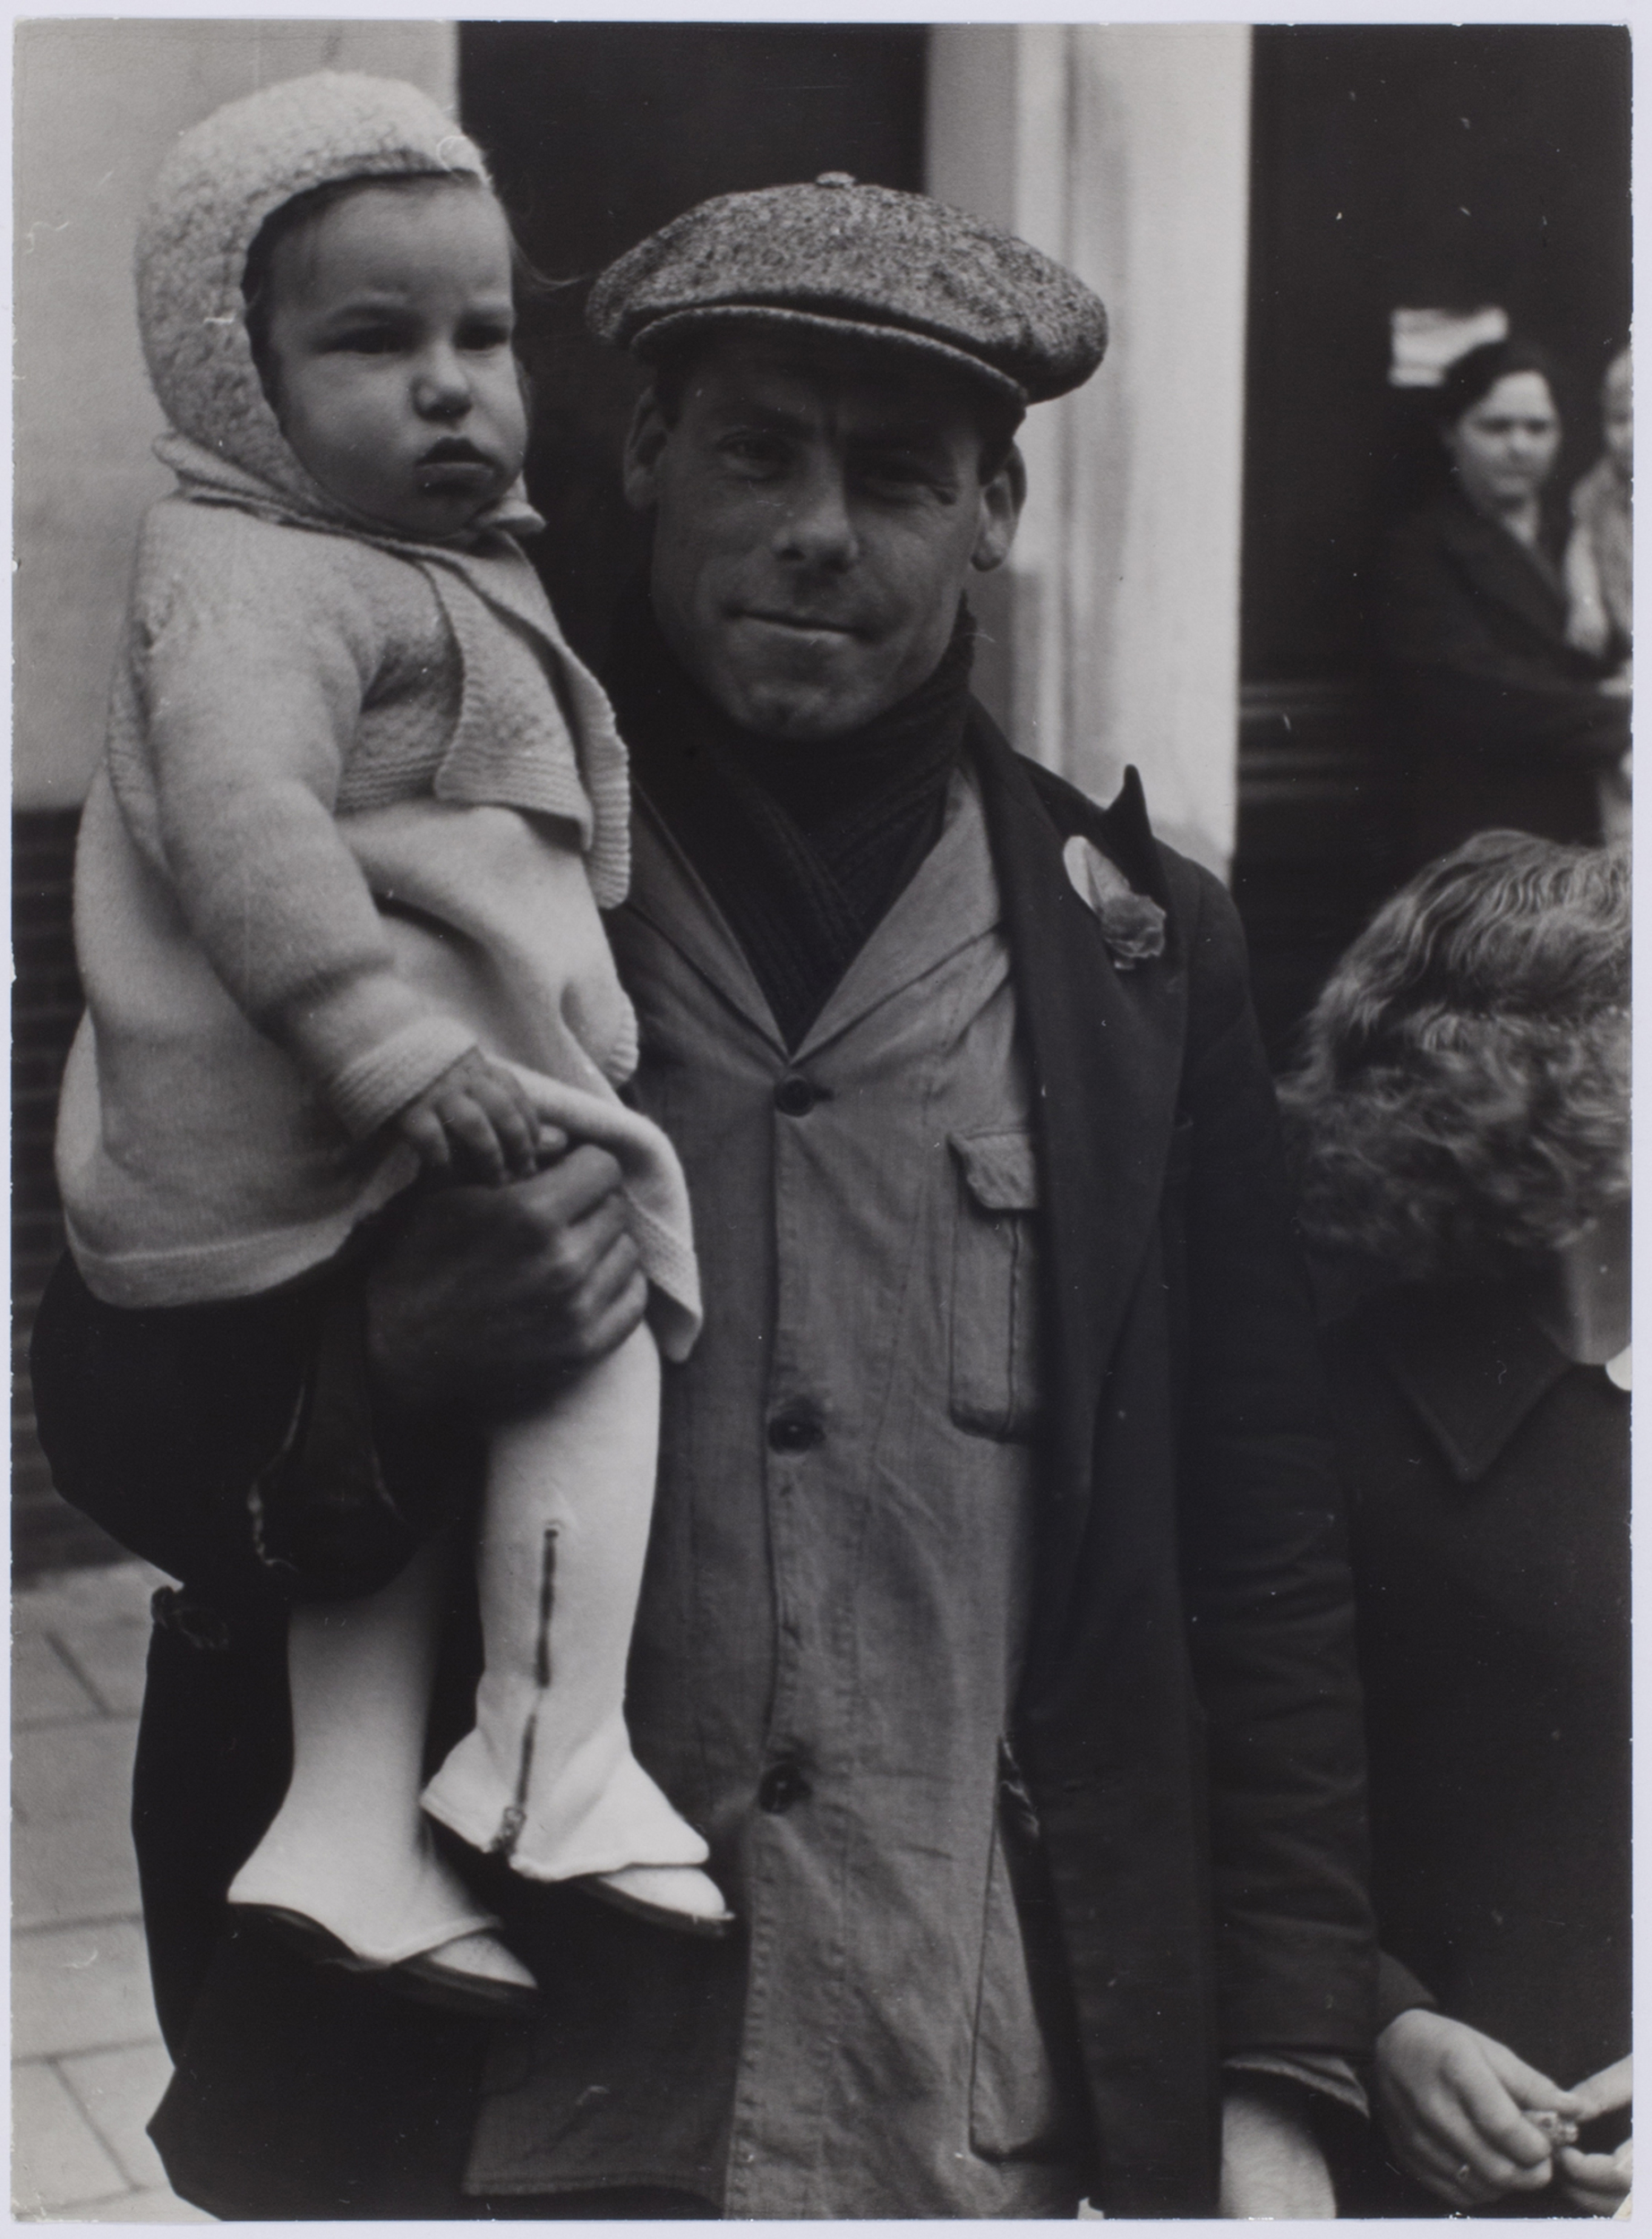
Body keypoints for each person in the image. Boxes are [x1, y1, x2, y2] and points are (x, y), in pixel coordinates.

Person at [34, 169, 1376, 2218]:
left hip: (949, 2086)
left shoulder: (1137, 954)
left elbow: (1256, 1538)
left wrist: (1280, 2064)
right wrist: (378, 1365)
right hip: (482, 2104)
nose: (818, 529)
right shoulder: (389, 873)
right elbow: (110, 1411)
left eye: (897, 475)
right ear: (649, 450)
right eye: (757, 452)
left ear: (995, 512)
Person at [55, 68, 728, 2015]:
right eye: (373, 342)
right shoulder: (255, 570)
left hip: (379, 1102)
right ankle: (549, 1749)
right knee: (596, 1328)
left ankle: (347, 1824)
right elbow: (243, 825)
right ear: (236, 371)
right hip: (338, 1094)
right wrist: (385, 1049)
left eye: (484, 336)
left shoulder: (405, 556)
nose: (450, 389)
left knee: (428, 1428)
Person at [1284, 832, 1631, 2217]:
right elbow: (1217, 1795)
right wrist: (1378, 2023)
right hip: (1442, 2181)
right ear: (1551, 1075)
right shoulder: (1331, 1417)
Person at [1374, 339, 1630, 866]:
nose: (1520, 446)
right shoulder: (1420, 548)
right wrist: (1622, 716)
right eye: (1496, 427)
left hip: (1593, 830)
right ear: (1451, 432)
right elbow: (1474, 689)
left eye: (1538, 428)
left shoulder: (1579, 533)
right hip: (1488, 836)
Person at [1563, 347, 1631, 840]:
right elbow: (1582, 544)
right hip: (1625, 658)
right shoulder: (1599, 490)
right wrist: (1586, 603)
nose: (1631, 436)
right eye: (1619, 420)